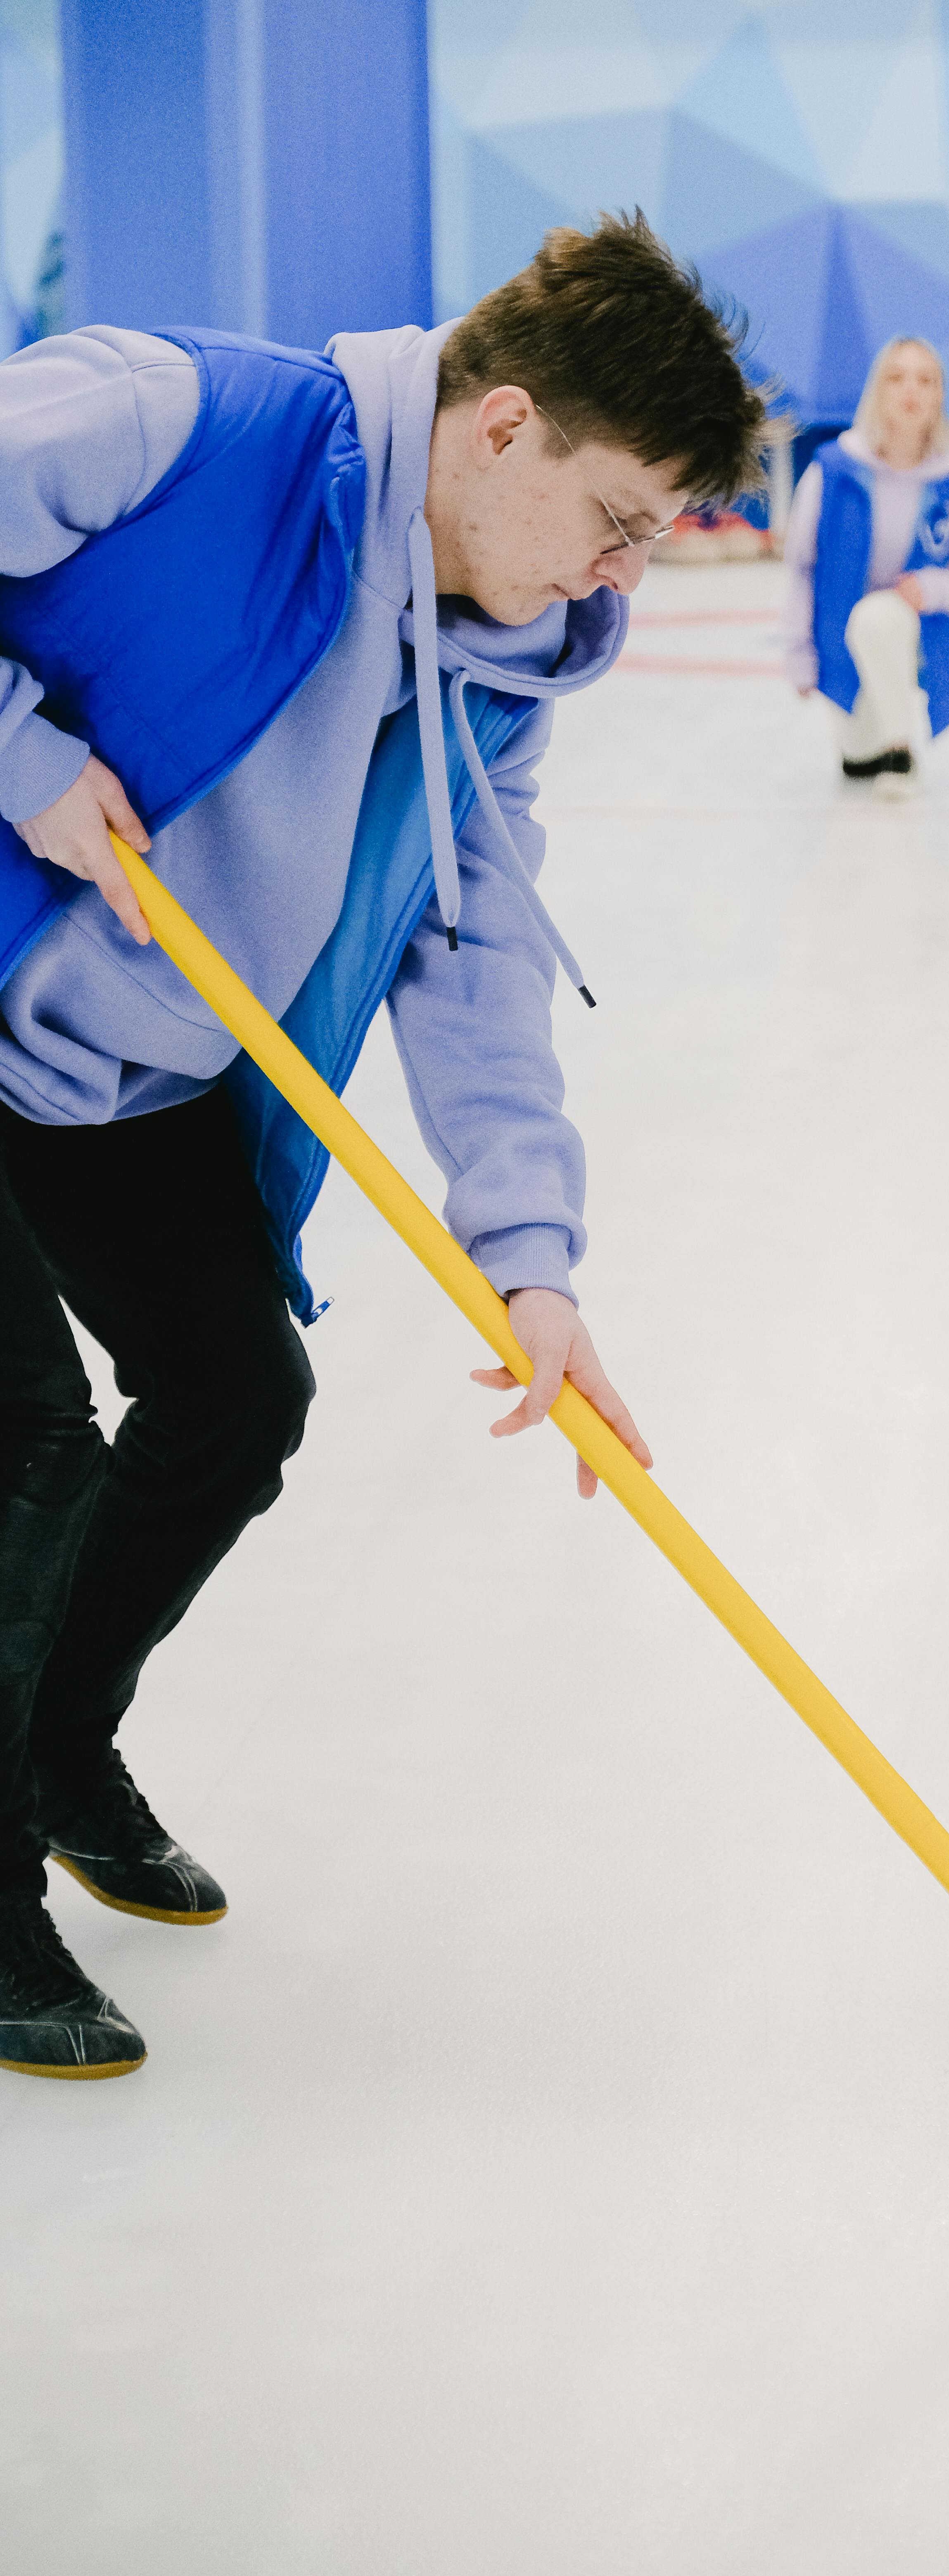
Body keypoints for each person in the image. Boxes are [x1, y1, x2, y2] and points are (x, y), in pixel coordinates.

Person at [0, 214, 766, 2080]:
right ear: (500, 428)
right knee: (29, 1447)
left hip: (134, 1060)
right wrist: (21, 760)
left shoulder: (500, 661)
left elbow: (472, 949)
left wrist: (537, 1262)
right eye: (620, 516)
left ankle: (55, 1733)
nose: (626, 571)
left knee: (234, 1400)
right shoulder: (179, 419)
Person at [783, 336, 949, 800]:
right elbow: (800, 568)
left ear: (940, 396)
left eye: (926, 380)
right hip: (839, 639)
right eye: (896, 378)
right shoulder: (832, 471)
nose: (911, 391)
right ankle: (876, 743)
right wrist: (799, 654)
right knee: (857, 761)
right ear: (876, 391)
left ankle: (901, 749)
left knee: (877, 618)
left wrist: (933, 588)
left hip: (916, 632)